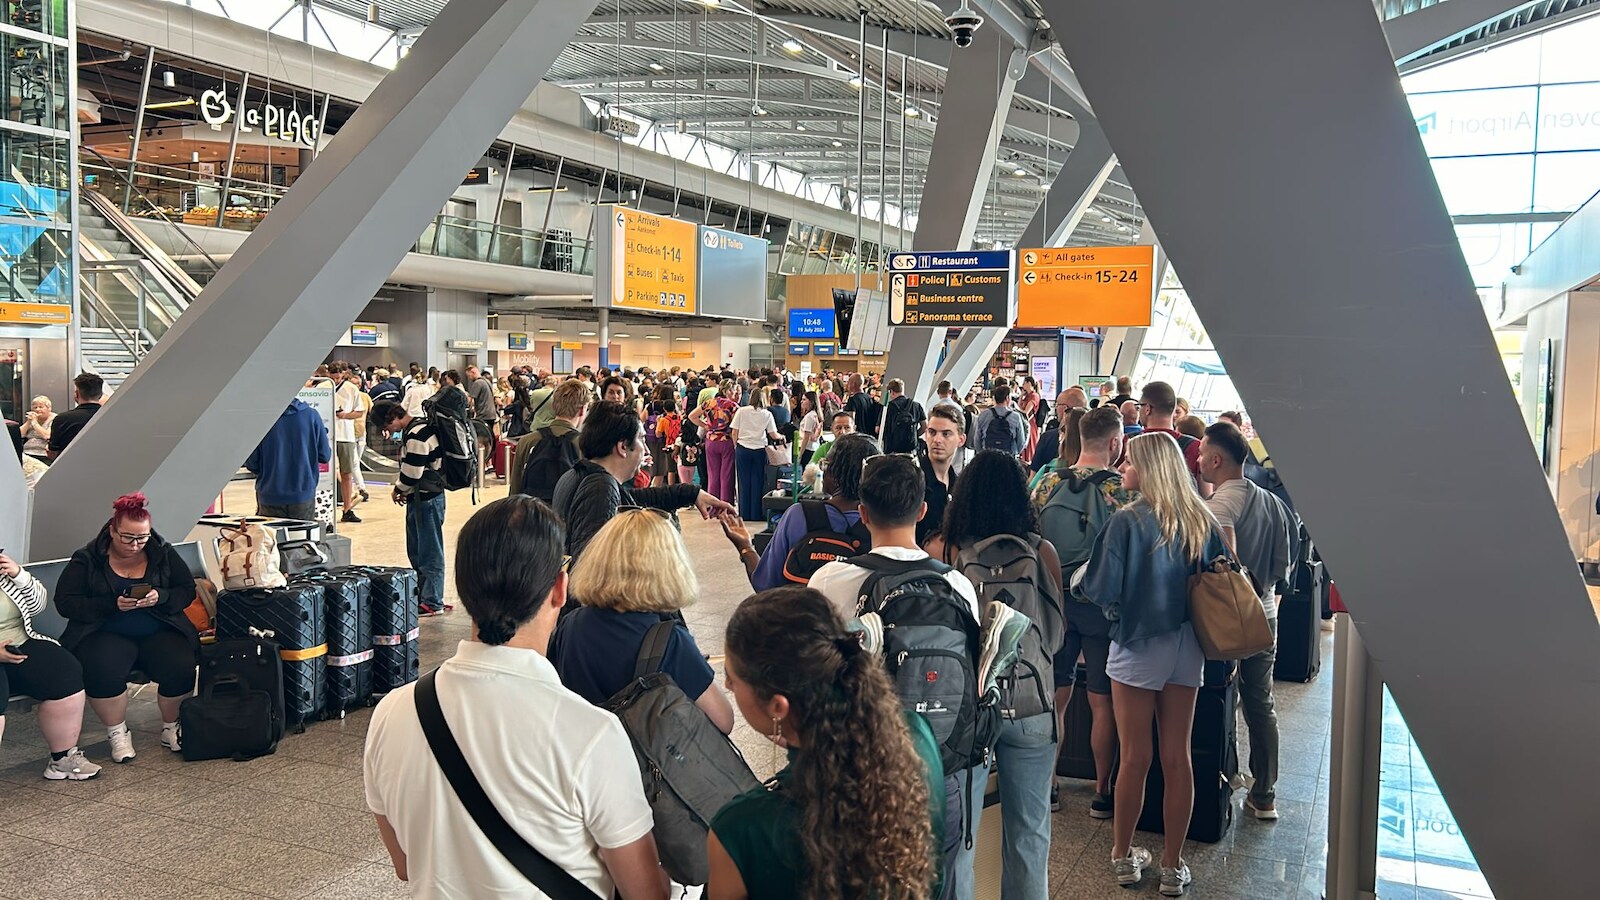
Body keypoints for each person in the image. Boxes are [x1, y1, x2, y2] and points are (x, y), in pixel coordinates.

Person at [364, 497, 670, 899]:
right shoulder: (590, 732)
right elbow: (647, 893)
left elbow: (405, 865)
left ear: (464, 589)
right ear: (560, 589)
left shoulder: (393, 711)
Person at [806, 453, 981, 899]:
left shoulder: (829, 580)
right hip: (942, 765)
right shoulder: (957, 586)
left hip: (858, 765)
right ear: (923, 511)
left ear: (862, 513)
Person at [708, 586, 943, 900]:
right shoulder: (915, 736)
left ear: (778, 706)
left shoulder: (740, 830)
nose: (727, 686)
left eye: (732, 678)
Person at [1075, 432, 1228, 896]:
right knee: (1177, 756)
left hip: (1138, 642)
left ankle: (1123, 857)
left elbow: (1099, 587)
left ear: (1148, 469)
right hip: (1188, 643)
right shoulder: (1202, 519)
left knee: (1134, 756)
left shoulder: (1127, 521)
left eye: (1129, 464)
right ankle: (1172, 866)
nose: (1123, 469)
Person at [932, 450, 1065, 900]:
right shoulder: (1041, 551)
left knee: (962, 840)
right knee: (1029, 835)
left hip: (970, 711)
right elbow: (1055, 633)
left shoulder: (950, 550)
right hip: (1031, 705)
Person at [1031, 406, 1133, 821]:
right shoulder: (1123, 492)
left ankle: (1050, 783)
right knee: (1101, 700)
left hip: (1053, 602)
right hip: (1101, 605)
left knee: (1055, 695)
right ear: (1115, 443)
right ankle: (1102, 791)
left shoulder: (1046, 481)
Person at [549, 510, 733, 732]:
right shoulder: (669, 641)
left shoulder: (570, 625)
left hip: (579, 755)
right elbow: (724, 720)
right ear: (668, 568)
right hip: (639, 764)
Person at [1197, 422, 1295, 823]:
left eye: (1203, 453)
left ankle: (1226, 777)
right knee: (1261, 703)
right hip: (1266, 618)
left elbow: (1222, 569)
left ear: (1216, 459)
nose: (1199, 459)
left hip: (1228, 624)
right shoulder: (1274, 503)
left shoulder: (1219, 506)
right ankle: (1265, 792)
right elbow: (1284, 567)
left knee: (1223, 701)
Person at [56, 492, 199, 763]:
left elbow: (186, 589)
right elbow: (65, 603)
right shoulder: (87, 559)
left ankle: (171, 726)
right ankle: (117, 732)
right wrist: (111, 604)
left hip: (158, 626)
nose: (135, 545)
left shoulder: (162, 553)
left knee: (180, 662)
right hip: (103, 631)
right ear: (112, 530)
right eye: (127, 538)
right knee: (102, 667)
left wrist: (162, 596)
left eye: (142, 538)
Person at [552, 401, 733, 569]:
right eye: (641, 439)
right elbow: (590, 566)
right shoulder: (600, 488)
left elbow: (633, 498)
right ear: (623, 447)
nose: (646, 449)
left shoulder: (581, 474)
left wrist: (691, 493)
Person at [721, 433, 879, 591]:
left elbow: (765, 585)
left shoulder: (799, 515)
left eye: (824, 464)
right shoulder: (883, 522)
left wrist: (745, 546)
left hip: (802, 613)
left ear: (835, 474)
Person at [0, 553, 102, 780]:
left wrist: (19, 575)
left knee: (64, 672)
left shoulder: (4, 575)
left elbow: (38, 605)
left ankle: (62, 759)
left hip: (18, 640)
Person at [371, 400, 450, 616]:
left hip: (426, 500)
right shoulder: (419, 428)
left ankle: (433, 601)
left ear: (393, 418)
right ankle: (427, 596)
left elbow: (413, 472)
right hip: (424, 498)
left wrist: (399, 488)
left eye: (386, 426)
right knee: (421, 549)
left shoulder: (417, 434)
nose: (387, 431)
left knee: (429, 551)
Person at [245, 396, 331, 520]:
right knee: (302, 538)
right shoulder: (311, 415)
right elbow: (325, 455)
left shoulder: (261, 419)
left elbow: (252, 464)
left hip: (269, 494)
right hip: (302, 493)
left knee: (272, 538)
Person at [509, 381, 588, 498]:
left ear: (553, 406)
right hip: (568, 513)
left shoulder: (526, 441)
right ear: (582, 410)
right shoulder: (586, 444)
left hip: (533, 512)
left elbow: (515, 489)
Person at [1138, 381, 1206, 496]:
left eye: (1139, 406)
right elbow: (1204, 494)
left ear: (1148, 409)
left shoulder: (1128, 442)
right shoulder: (1195, 446)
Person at [917, 404, 965, 548]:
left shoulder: (960, 486)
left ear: (961, 440)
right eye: (932, 432)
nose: (937, 440)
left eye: (946, 434)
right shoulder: (911, 479)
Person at [731, 389, 781, 522]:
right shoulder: (767, 414)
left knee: (743, 482)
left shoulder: (741, 411)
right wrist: (783, 437)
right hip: (759, 450)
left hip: (743, 449)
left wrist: (736, 446)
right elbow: (773, 434)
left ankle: (744, 514)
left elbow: (734, 432)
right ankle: (755, 514)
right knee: (757, 482)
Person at [689, 380, 740, 506]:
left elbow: (692, 416)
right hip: (726, 440)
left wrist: (706, 426)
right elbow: (736, 426)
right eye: (733, 390)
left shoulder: (709, 403)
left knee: (713, 475)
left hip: (710, 441)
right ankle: (725, 505)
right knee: (726, 475)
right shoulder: (733, 406)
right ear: (728, 391)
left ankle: (713, 505)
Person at [1030, 386, 1089, 474]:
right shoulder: (1094, 436)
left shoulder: (1048, 438)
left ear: (1065, 408)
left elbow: (1033, 475)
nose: (1056, 408)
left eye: (1057, 405)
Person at [333, 365, 365, 524]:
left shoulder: (352, 389)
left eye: (338, 376)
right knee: (323, 474)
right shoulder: (322, 386)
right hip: (325, 435)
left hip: (346, 435)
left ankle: (347, 508)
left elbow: (360, 411)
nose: (335, 379)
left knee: (347, 472)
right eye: (333, 376)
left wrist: (344, 415)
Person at [46, 373, 104, 461]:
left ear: (76, 394)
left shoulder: (62, 419)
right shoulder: (112, 418)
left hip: (69, 470)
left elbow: (53, 453)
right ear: (101, 394)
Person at [974, 384, 1026, 456]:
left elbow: (977, 440)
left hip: (987, 457)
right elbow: (1021, 442)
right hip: (1008, 458)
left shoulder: (984, 414)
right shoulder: (1015, 416)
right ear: (1007, 398)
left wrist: (981, 454)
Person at [880, 378, 926, 455]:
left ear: (891, 392)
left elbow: (879, 429)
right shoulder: (916, 406)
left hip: (892, 450)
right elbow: (924, 426)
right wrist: (914, 435)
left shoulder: (888, 407)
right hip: (911, 449)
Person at [464, 365, 498, 469]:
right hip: (491, 414)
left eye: (468, 375)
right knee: (488, 440)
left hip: (483, 415)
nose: (469, 378)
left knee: (480, 440)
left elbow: (470, 400)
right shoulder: (486, 381)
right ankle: (489, 463)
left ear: (473, 372)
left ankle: (482, 464)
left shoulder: (477, 383)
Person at [844, 373, 881, 438]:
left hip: (858, 437)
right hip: (870, 436)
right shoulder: (870, 398)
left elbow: (851, 419)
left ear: (853, 384)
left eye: (849, 382)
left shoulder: (852, 400)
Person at [1017, 376, 1042, 464]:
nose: (1023, 385)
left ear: (1029, 383)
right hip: (1023, 423)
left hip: (1029, 424)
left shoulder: (1034, 396)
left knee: (1029, 447)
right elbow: (1020, 406)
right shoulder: (1027, 396)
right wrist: (1021, 396)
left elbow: (1025, 412)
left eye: (1024, 383)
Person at [19, 396, 52, 462]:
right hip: (27, 452)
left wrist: (34, 423)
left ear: (49, 408)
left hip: (43, 454)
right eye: (35, 407)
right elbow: (20, 434)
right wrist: (28, 422)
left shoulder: (54, 419)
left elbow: (47, 436)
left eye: (41, 407)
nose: (37, 409)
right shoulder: (33, 419)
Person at [796, 391, 822, 468]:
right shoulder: (815, 415)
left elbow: (806, 437)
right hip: (813, 447)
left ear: (811, 401)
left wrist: (800, 455)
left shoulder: (809, 416)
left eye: (804, 399)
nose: (801, 401)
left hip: (807, 449)